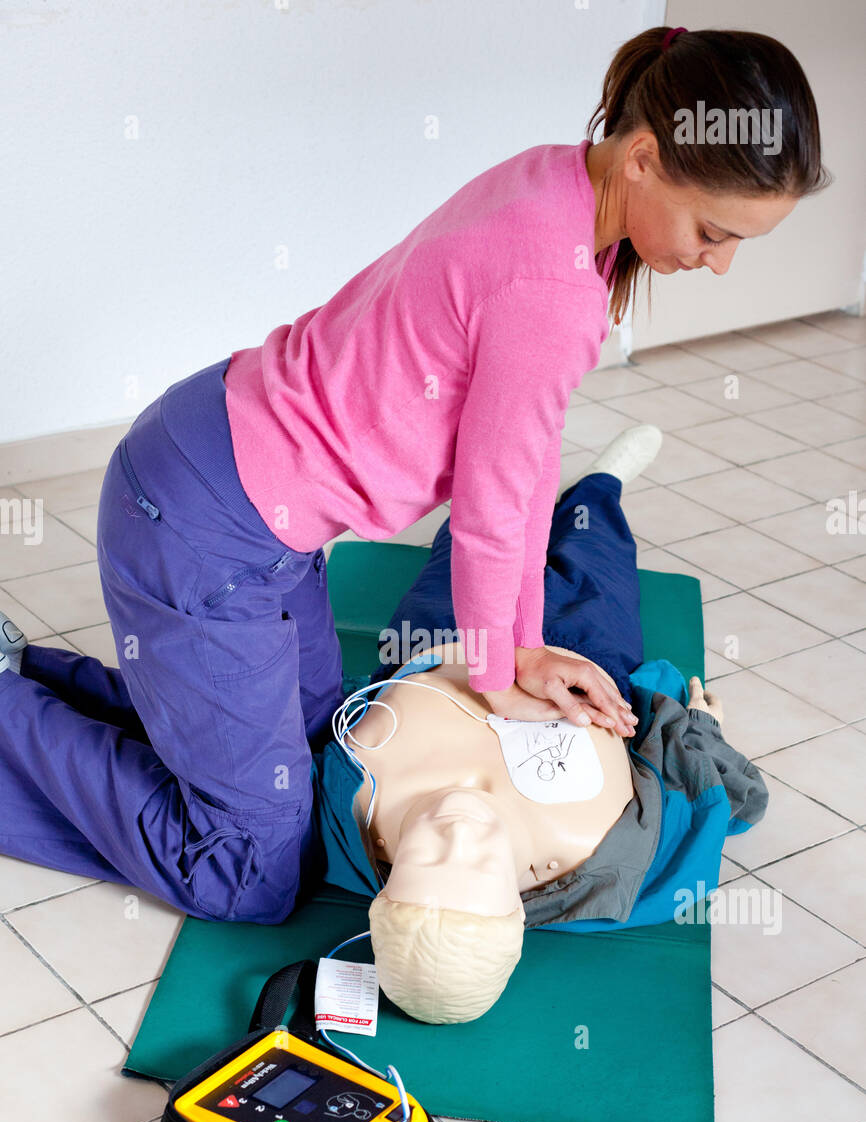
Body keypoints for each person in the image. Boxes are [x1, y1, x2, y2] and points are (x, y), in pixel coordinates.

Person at [0, 26, 825, 924]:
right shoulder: (552, 290)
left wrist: (520, 651)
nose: (719, 262)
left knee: (317, 764)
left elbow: (521, 466)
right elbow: (491, 508)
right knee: (249, 870)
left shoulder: (557, 177)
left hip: (233, 484)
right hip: (203, 524)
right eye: (713, 231)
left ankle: (25, 678)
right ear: (642, 157)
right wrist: (492, 666)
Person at [313, 435, 768, 1023]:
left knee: (473, 536)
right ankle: (600, 485)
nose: (459, 831)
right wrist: (701, 729)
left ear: (386, 890)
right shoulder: (601, 856)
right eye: (477, 866)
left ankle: (502, 471)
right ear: (517, 908)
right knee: (595, 551)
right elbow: (711, 798)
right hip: (586, 651)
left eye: (426, 861)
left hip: (446, 631)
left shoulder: (349, 811)